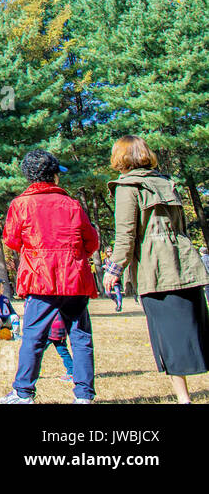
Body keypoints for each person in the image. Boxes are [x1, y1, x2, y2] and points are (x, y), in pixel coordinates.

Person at [103, 135, 209, 404]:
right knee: (199, 332)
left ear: (120, 157)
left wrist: (114, 269)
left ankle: (184, 399)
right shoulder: (166, 182)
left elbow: (125, 234)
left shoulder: (127, 187)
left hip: (157, 270)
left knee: (169, 338)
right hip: (186, 264)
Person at [0, 149, 98, 404]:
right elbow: (92, 241)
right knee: (80, 336)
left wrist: (34, 250)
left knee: (33, 336)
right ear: (54, 175)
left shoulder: (21, 204)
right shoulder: (72, 204)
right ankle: (84, 395)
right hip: (74, 278)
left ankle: (23, 393)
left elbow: (10, 239)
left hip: (40, 277)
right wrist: (73, 254)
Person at [101, 248, 123, 312]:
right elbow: (102, 267)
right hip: (108, 279)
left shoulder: (116, 260)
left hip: (115, 279)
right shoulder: (105, 260)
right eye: (108, 251)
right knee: (107, 292)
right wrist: (103, 267)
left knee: (117, 292)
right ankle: (116, 300)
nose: (110, 253)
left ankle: (119, 306)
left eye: (111, 251)